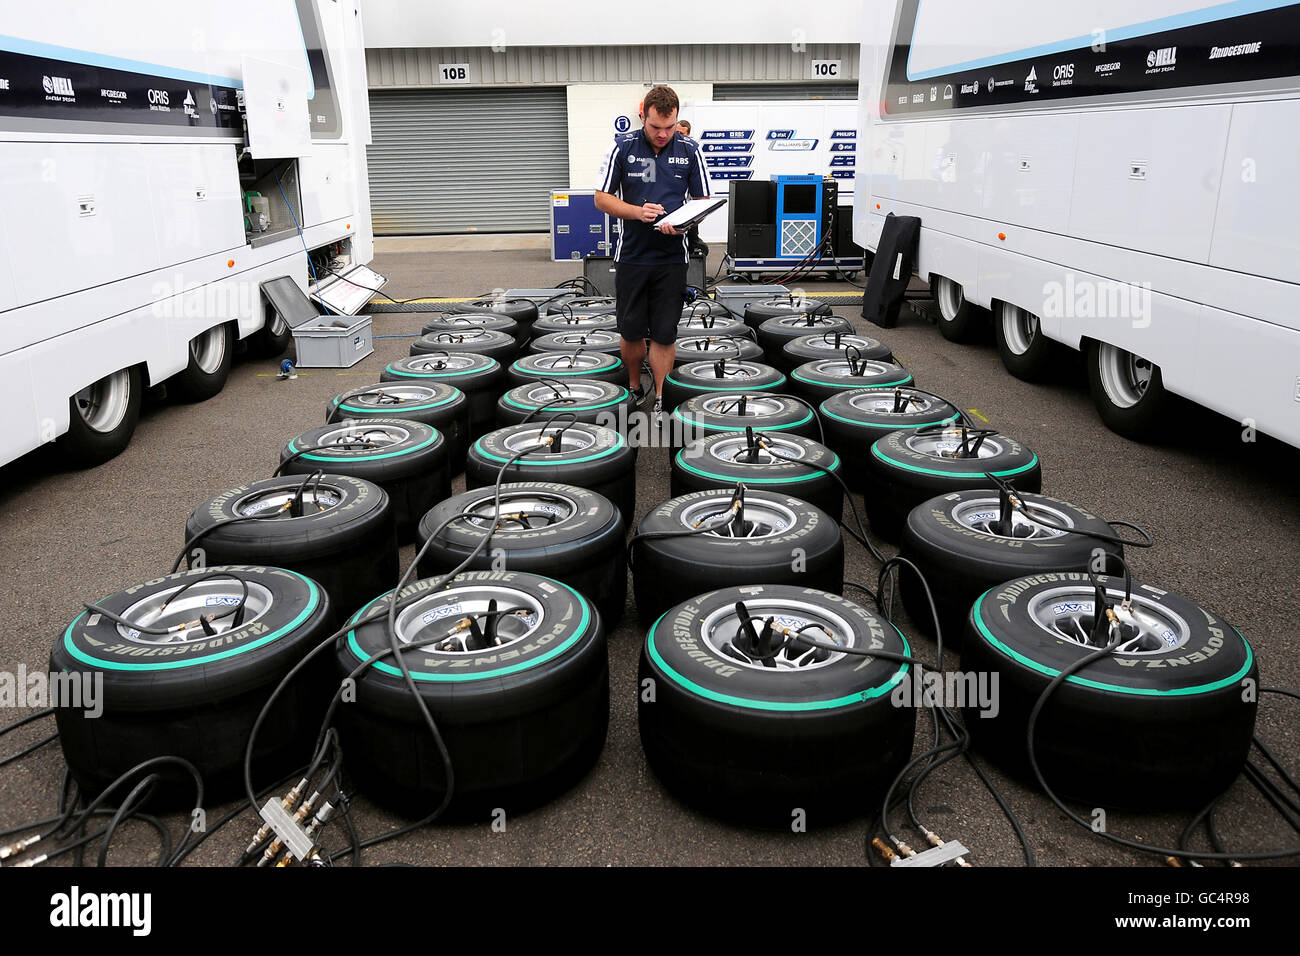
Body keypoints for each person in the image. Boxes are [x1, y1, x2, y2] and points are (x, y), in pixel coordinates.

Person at [594, 85, 709, 422]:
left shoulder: (689, 149)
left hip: (672, 259)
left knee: (664, 332)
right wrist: (635, 211)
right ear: (643, 116)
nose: (662, 134)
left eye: (669, 127)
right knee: (630, 330)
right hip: (631, 256)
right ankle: (634, 386)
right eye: (656, 127)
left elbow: (703, 202)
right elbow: (601, 198)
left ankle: (661, 393)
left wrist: (684, 224)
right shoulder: (623, 147)